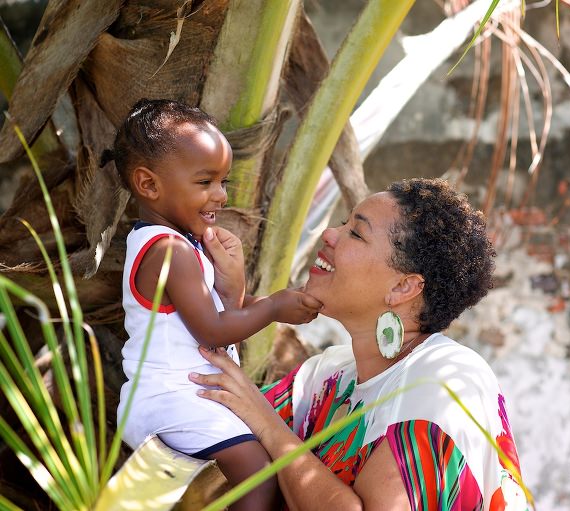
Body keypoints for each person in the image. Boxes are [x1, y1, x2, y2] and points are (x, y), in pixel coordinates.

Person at [192, 178, 531, 510]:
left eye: (355, 232)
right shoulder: (327, 376)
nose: (329, 234)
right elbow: (216, 419)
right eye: (343, 222)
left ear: (403, 287)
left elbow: (257, 415)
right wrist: (227, 300)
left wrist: (268, 423)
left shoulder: (447, 379)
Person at [104, 98, 323, 511]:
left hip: (180, 396)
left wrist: (247, 293)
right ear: (149, 185)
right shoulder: (171, 251)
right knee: (258, 473)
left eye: (223, 181)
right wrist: (274, 307)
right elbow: (212, 331)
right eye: (205, 182)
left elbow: (216, 314)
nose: (220, 196)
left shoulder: (172, 244)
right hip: (173, 398)